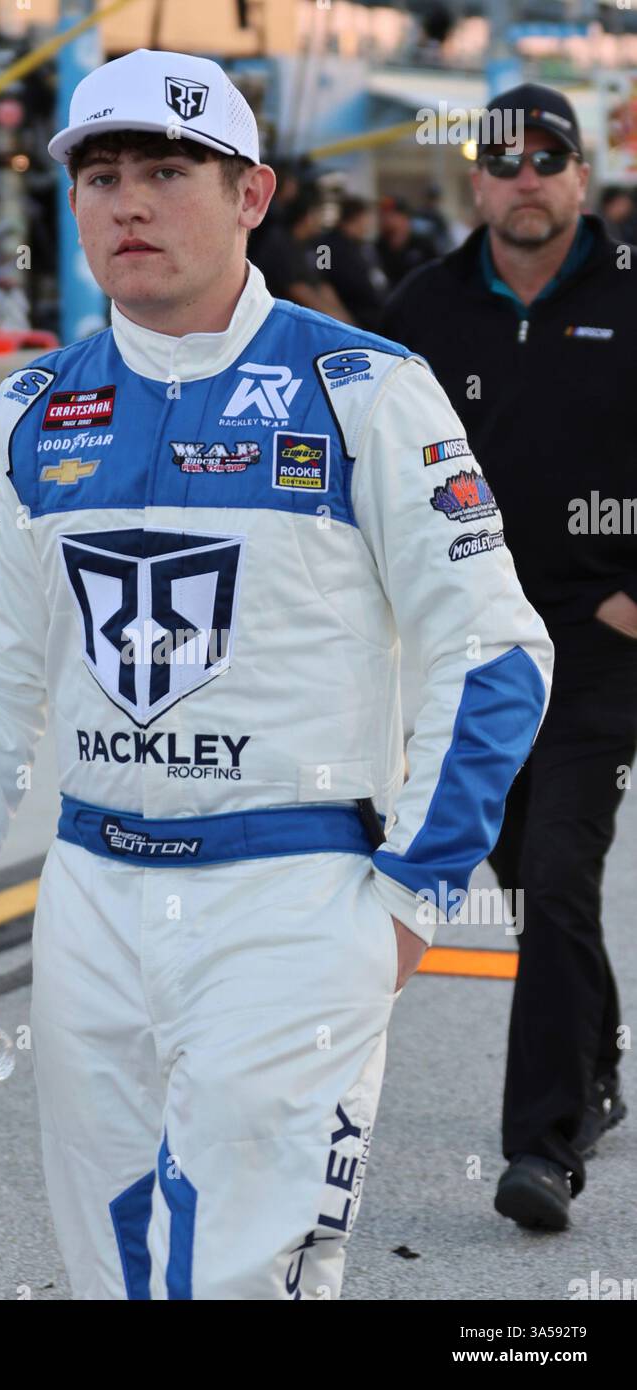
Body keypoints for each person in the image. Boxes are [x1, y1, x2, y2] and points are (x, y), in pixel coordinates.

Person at [0, 47, 553, 1300]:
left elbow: (497, 649)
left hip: (295, 896)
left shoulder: (364, 389)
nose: (129, 203)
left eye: (169, 171)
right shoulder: (40, 409)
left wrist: (413, 896)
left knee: (248, 1274)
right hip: (91, 895)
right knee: (112, 1267)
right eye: (103, 176)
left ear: (254, 195)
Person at [381, 82, 637, 1233]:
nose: (525, 178)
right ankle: (598, 1048)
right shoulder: (421, 310)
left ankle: (543, 1146)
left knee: (564, 874)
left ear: (581, 176)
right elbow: (369, 469)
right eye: (504, 162)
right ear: (476, 181)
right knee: (532, 890)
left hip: (597, 644)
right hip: (475, 653)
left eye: (548, 159)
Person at [248, 179, 352, 319]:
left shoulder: (320, 244)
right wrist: (334, 319)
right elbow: (298, 290)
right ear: (307, 216)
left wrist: (345, 318)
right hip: (284, 317)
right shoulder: (278, 241)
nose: (322, 220)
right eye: (319, 214)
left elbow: (324, 283)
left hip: (315, 315)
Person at [319, 195, 388, 330]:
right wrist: (342, 318)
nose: (369, 224)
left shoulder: (365, 246)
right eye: (367, 218)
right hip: (351, 319)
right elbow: (322, 281)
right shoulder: (326, 246)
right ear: (357, 218)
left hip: (378, 318)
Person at [375, 194, 437, 287]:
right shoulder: (376, 248)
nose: (385, 220)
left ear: (405, 218)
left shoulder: (423, 246)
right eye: (382, 215)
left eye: (391, 215)